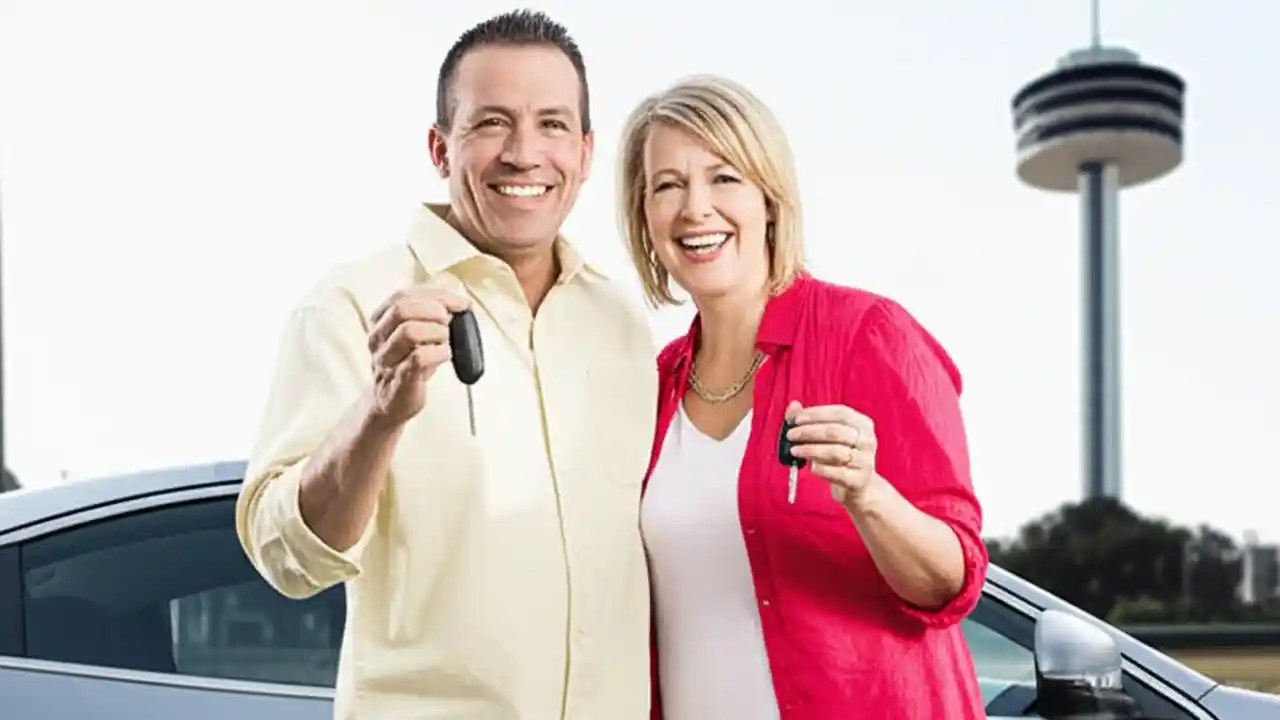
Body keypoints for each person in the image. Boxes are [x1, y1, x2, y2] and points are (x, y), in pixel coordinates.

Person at [235, 10, 657, 719]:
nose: (524, 153)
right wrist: (378, 415)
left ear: (585, 154)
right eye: (491, 122)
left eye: (552, 124)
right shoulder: (348, 306)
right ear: (439, 147)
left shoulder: (619, 323)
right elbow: (288, 560)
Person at [618, 74, 989, 719]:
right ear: (644, 214)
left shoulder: (869, 336)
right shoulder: (651, 388)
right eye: (668, 186)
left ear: (769, 198)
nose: (695, 208)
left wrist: (868, 495)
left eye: (724, 177)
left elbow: (950, 583)